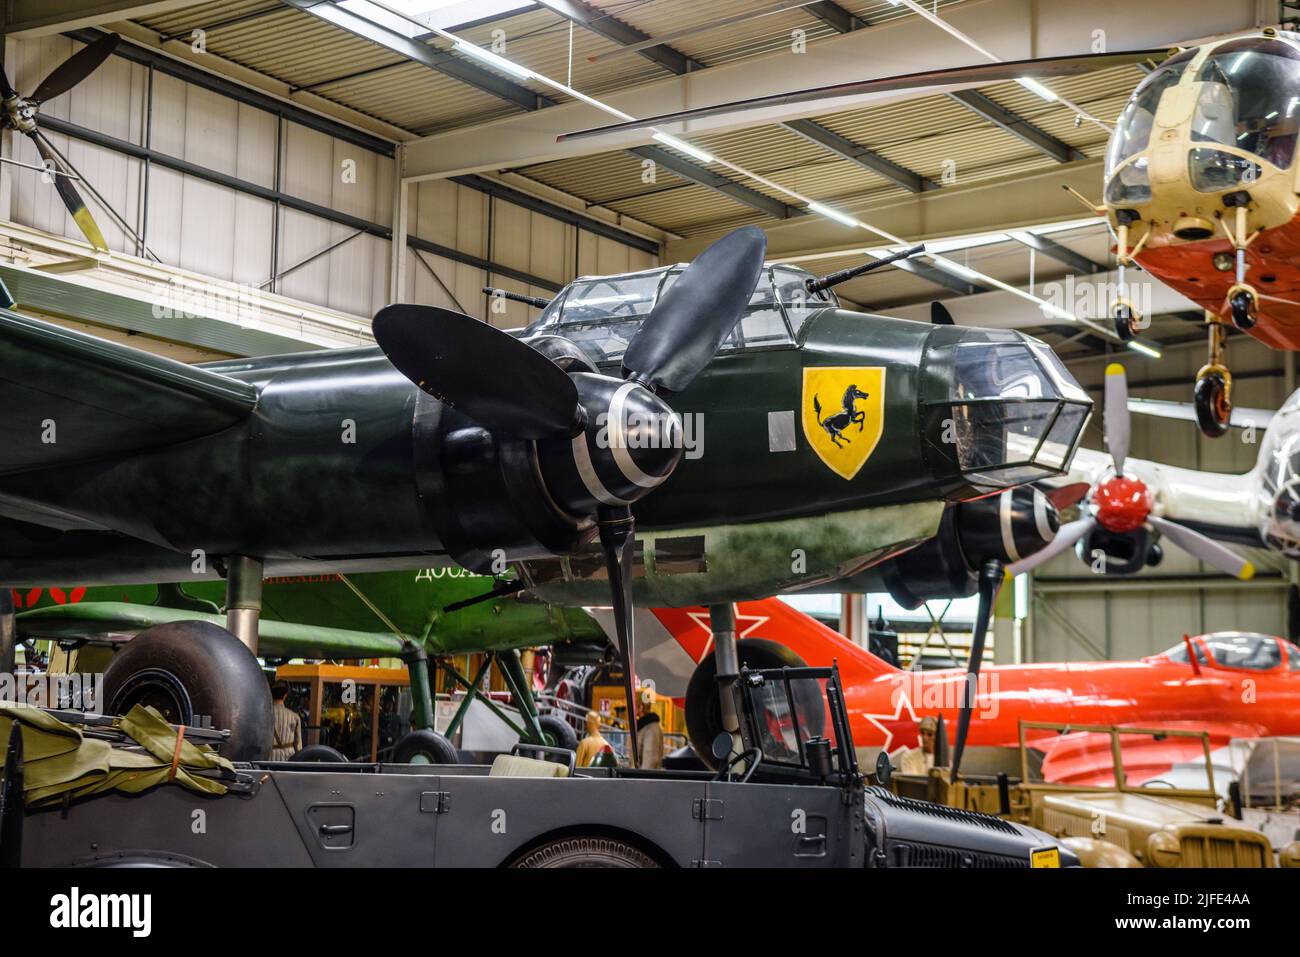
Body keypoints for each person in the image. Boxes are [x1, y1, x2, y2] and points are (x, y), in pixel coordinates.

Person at [269, 681, 302, 761]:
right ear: (285, 696)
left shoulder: (264, 715)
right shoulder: (294, 716)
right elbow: (298, 744)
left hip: (269, 757)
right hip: (289, 757)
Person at [635, 687, 663, 770]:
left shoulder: (651, 728)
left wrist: (641, 780)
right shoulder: (642, 726)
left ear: (641, 707)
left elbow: (650, 759)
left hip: (644, 779)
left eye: (634, 705)